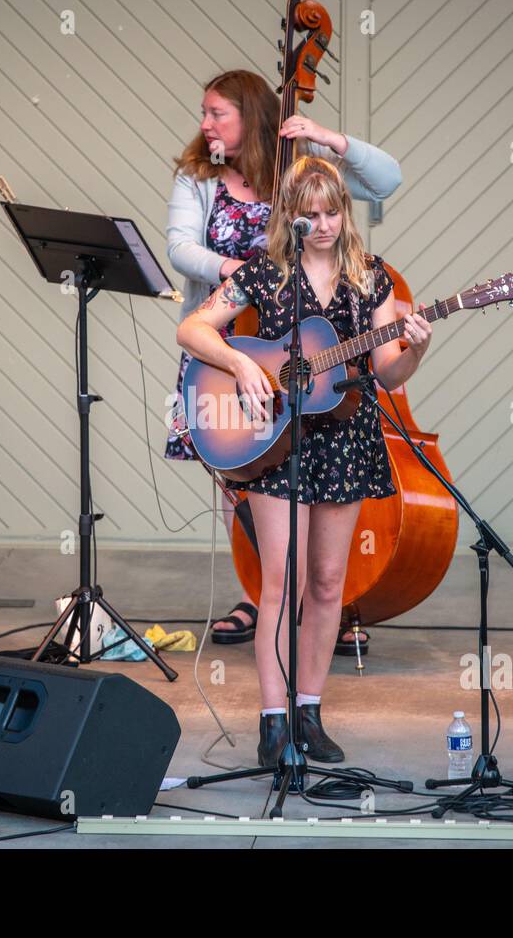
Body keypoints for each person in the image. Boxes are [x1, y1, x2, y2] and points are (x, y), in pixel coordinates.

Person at [176, 157, 432, 764]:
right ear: (288, 216)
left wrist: (416, 350)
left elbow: (389, 374)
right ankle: (272, 720)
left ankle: (309, 712)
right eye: (309, 214)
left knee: (326, 585)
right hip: (274, 440)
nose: (322, 225)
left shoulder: (372, 279)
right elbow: (193, 329)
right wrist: (242, 363)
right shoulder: (263, 275)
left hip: (344, 439)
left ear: (346, 211)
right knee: (279, 585)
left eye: (332, 211)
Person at [164, 69, 401, 651]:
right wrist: (252, 273)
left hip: (317, 367)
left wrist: (328, 138)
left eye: (218, 112)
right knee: (238, 471)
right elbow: (180, 248)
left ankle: (325, 601)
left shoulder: (300, 174)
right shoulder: (200, 178)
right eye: (205, 112)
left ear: (252, 114)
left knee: (324, 477)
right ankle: (261, 593)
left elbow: (386, 180)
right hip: (237, 346)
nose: (206, 123)